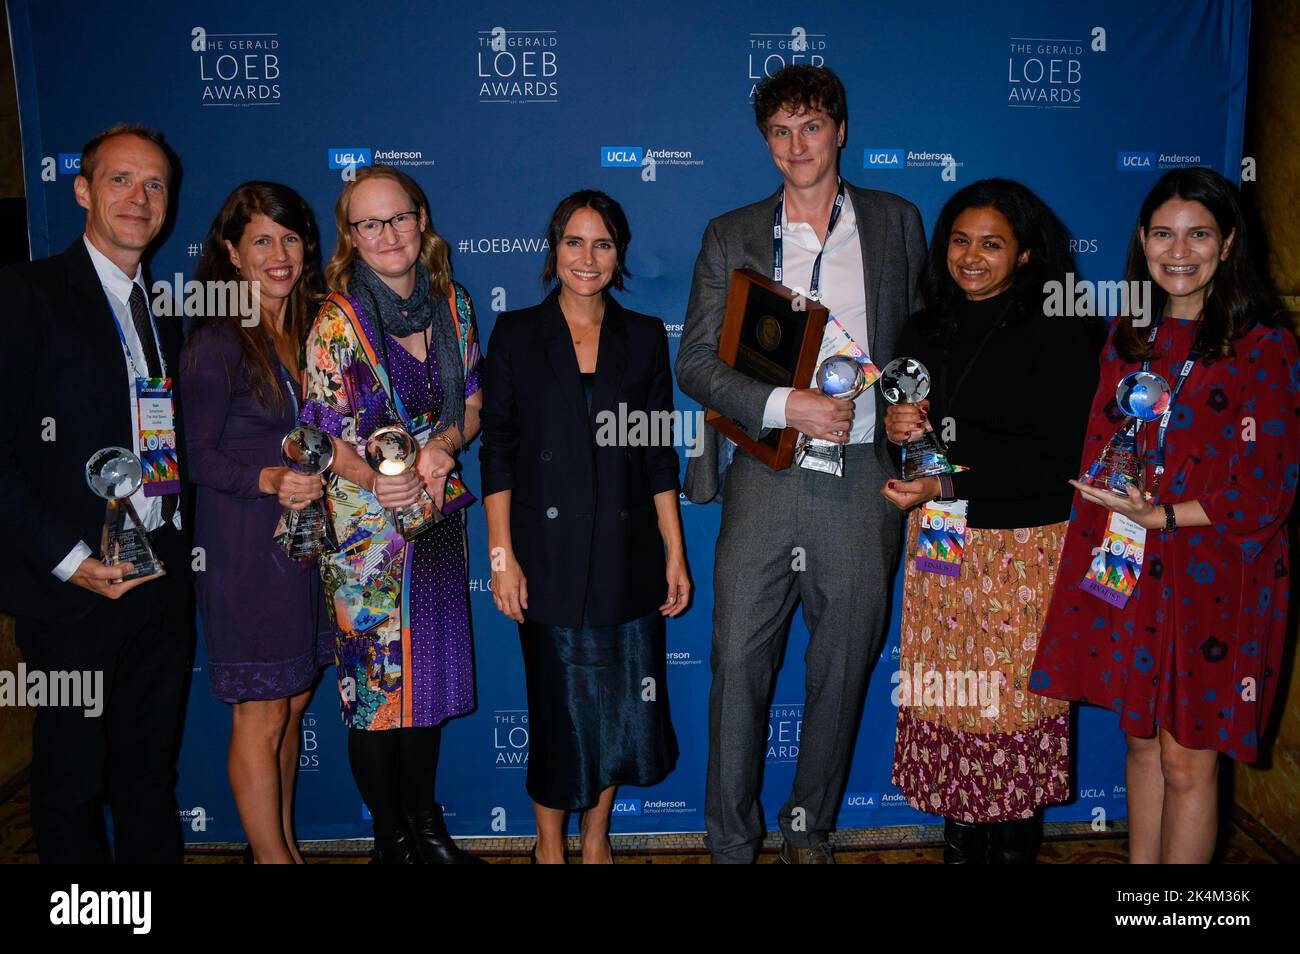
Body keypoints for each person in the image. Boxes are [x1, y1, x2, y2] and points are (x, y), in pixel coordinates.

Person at [675, 65, 926, 864]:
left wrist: (911, 413)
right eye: (780, 132)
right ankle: (730, 843)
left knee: (843, 666)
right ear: (766, 141)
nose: (796, 146)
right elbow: (694, 363)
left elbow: (922, 343)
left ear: (840, 131)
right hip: (765, 469)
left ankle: (808, 828)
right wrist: (788, 404)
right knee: (736, 664)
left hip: (863, 477)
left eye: (811, 127)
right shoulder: (732, 233)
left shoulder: (895, 221)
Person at [1031, 167, 1298, 864]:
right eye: (1163, 234)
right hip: (1131, 562)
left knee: (1187, 760)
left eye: (1199, 234)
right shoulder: (1129, 335)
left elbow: (1269, 486)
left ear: (1228, 243)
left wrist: (1166, 517)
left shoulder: (1264, 344)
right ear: (1142, 242)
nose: (1179, 251)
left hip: (1216, 574)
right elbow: (1105, 448)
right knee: (1141, 743)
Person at [879, 179, 1099, 863]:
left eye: (992, 244)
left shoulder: (1059, 328)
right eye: (960, 241)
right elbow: (913, 449)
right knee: (954, 705)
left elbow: (1058, 459)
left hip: (1021, 553)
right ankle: (960, 848)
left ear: (1026, 254)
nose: (971, 257)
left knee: (1011, 716)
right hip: (943, 543)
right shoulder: (924, 327)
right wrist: (898, 432)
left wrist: (943, 481)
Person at [0, 124, 191, 862]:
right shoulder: (25, 295)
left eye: (155, 184)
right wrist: (70, 559)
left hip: (159, 581)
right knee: (71, 781)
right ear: (82, 190)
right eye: (120, 180)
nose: (139, 198)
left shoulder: (163, 310)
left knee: (150, 777)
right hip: (71, 593)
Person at [480, 190, 686, 865]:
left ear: (618, 254)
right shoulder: (516, 334)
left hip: (627, 554)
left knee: (619, 713)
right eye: (574, 242)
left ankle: (596, 842)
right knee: (558, 713)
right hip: (547, 556)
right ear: (554, 249)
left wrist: (674, 554)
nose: (588, 257)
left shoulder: (644, 336)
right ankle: (549, 847)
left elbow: (658, 453)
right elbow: (498, 451)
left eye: (602, 243)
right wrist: (502, 556)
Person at [300, 165, 484, 864]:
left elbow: (473, 401)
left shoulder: (453, 304)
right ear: (350, 235)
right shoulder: (337, 321)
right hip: (366, 539)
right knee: (377, 695)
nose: (388, 234)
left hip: (432, 518)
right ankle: (392, 841)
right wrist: (379, 480)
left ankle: (427, 830)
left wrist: (443, 446)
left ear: (421, 218)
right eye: (369, 223)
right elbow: (320, 438)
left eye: (399, 217)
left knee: (425, 682)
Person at [180, 182, 333, 864]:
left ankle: (282, 849)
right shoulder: (217, 341)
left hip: (301, 548)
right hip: (243, 551)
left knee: (293, 703)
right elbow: (190, 454)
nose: (279, 254)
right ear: (232, 253)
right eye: (262, 240)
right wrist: (266, 478)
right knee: (262, 710)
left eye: (290, 238)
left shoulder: (305, 331)